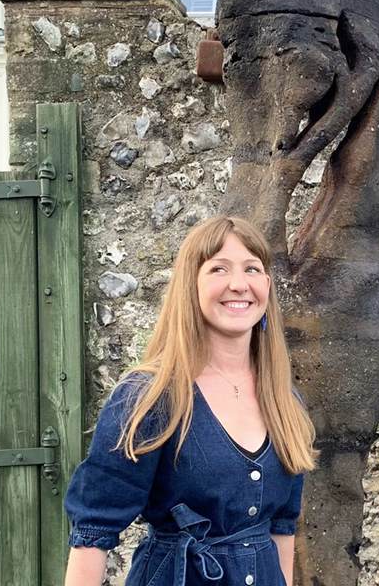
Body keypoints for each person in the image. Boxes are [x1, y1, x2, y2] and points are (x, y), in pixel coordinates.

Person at [64, 216, 317, 586]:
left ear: (266, 284)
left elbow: (282, 527)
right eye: (218, 269)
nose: (238, 284)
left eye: (252, 268)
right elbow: (92, 533)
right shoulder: (149, 397)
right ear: (190, 285)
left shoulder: (285, 402)